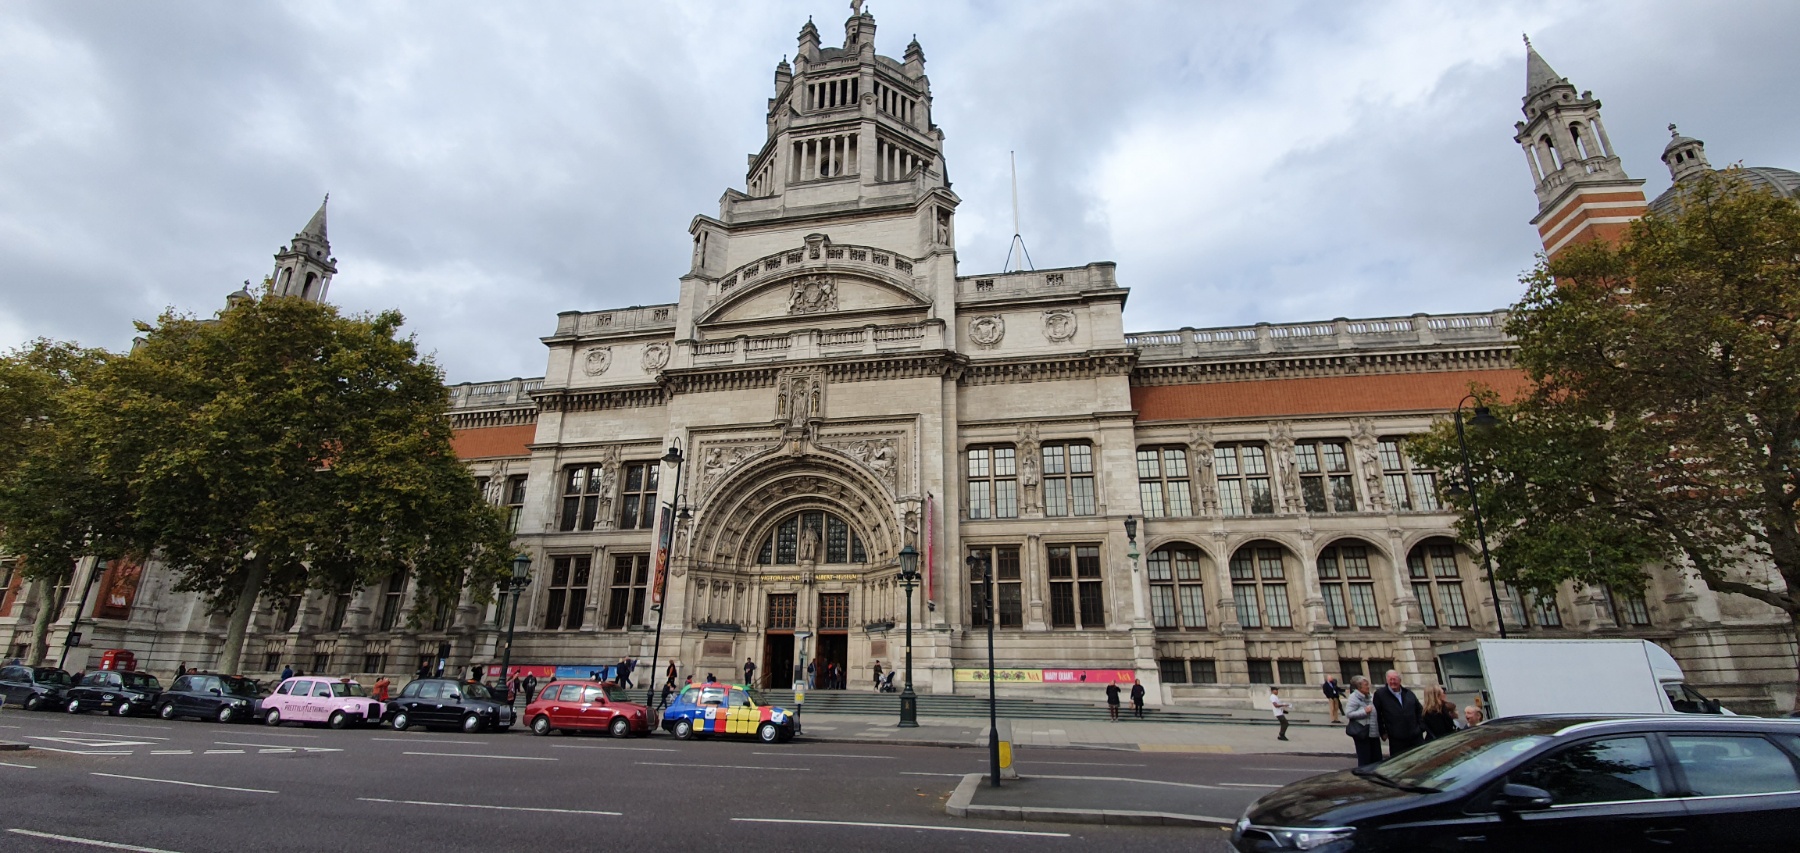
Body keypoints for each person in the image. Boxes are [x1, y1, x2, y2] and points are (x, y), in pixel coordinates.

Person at [1372, 669, 1425, 758]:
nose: (1393, 682)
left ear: (1400, 680)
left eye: (1395, 679)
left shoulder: (1408, 693)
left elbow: (1419, 710)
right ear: (1387, 680)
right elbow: (1377, 715)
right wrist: (1383, 732)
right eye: (1390, 679)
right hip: (1396, 738)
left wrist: (1421, 727)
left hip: (1415, 735)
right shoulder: (1380, 694)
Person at [1344, 675, 1382, 766]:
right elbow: (1348, 714)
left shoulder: (1371, 696)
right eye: (1366, 685)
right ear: (1359, 687)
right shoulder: (1354, 697)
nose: (1368, 686)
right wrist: (1364, 711)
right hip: (1363, 733)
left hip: (1373, 733)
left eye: (1368, 684)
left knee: (1377, 759)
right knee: (1365, 760)